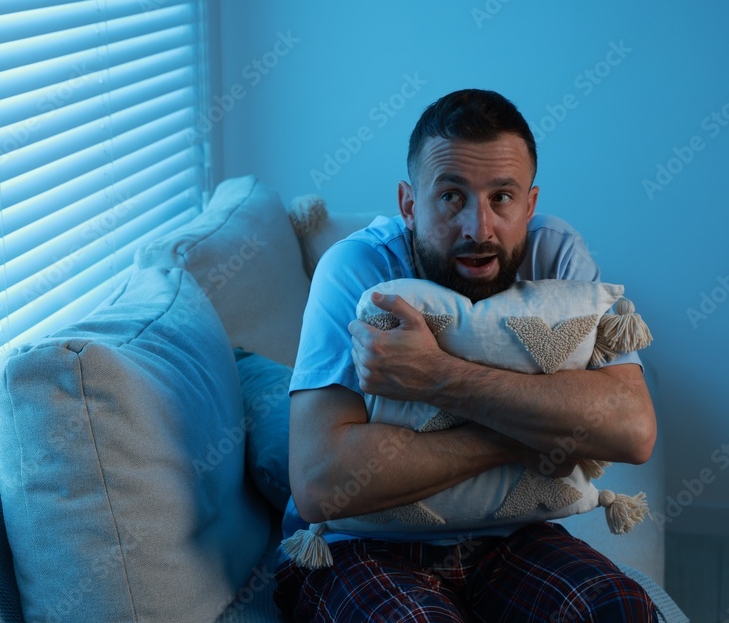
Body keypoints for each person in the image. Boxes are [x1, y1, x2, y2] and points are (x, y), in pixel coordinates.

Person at [273, 89, 659, 621]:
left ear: (529, 203)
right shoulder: (356, 270)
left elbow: (633, 430)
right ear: (409, 204)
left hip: (512, 539)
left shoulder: (557, 254)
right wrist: (538, 430)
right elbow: (321, 484)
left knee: (618, 608)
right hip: (356, 545)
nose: (479, 228)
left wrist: (436, 376)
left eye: (502, 197)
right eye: (451, 196)